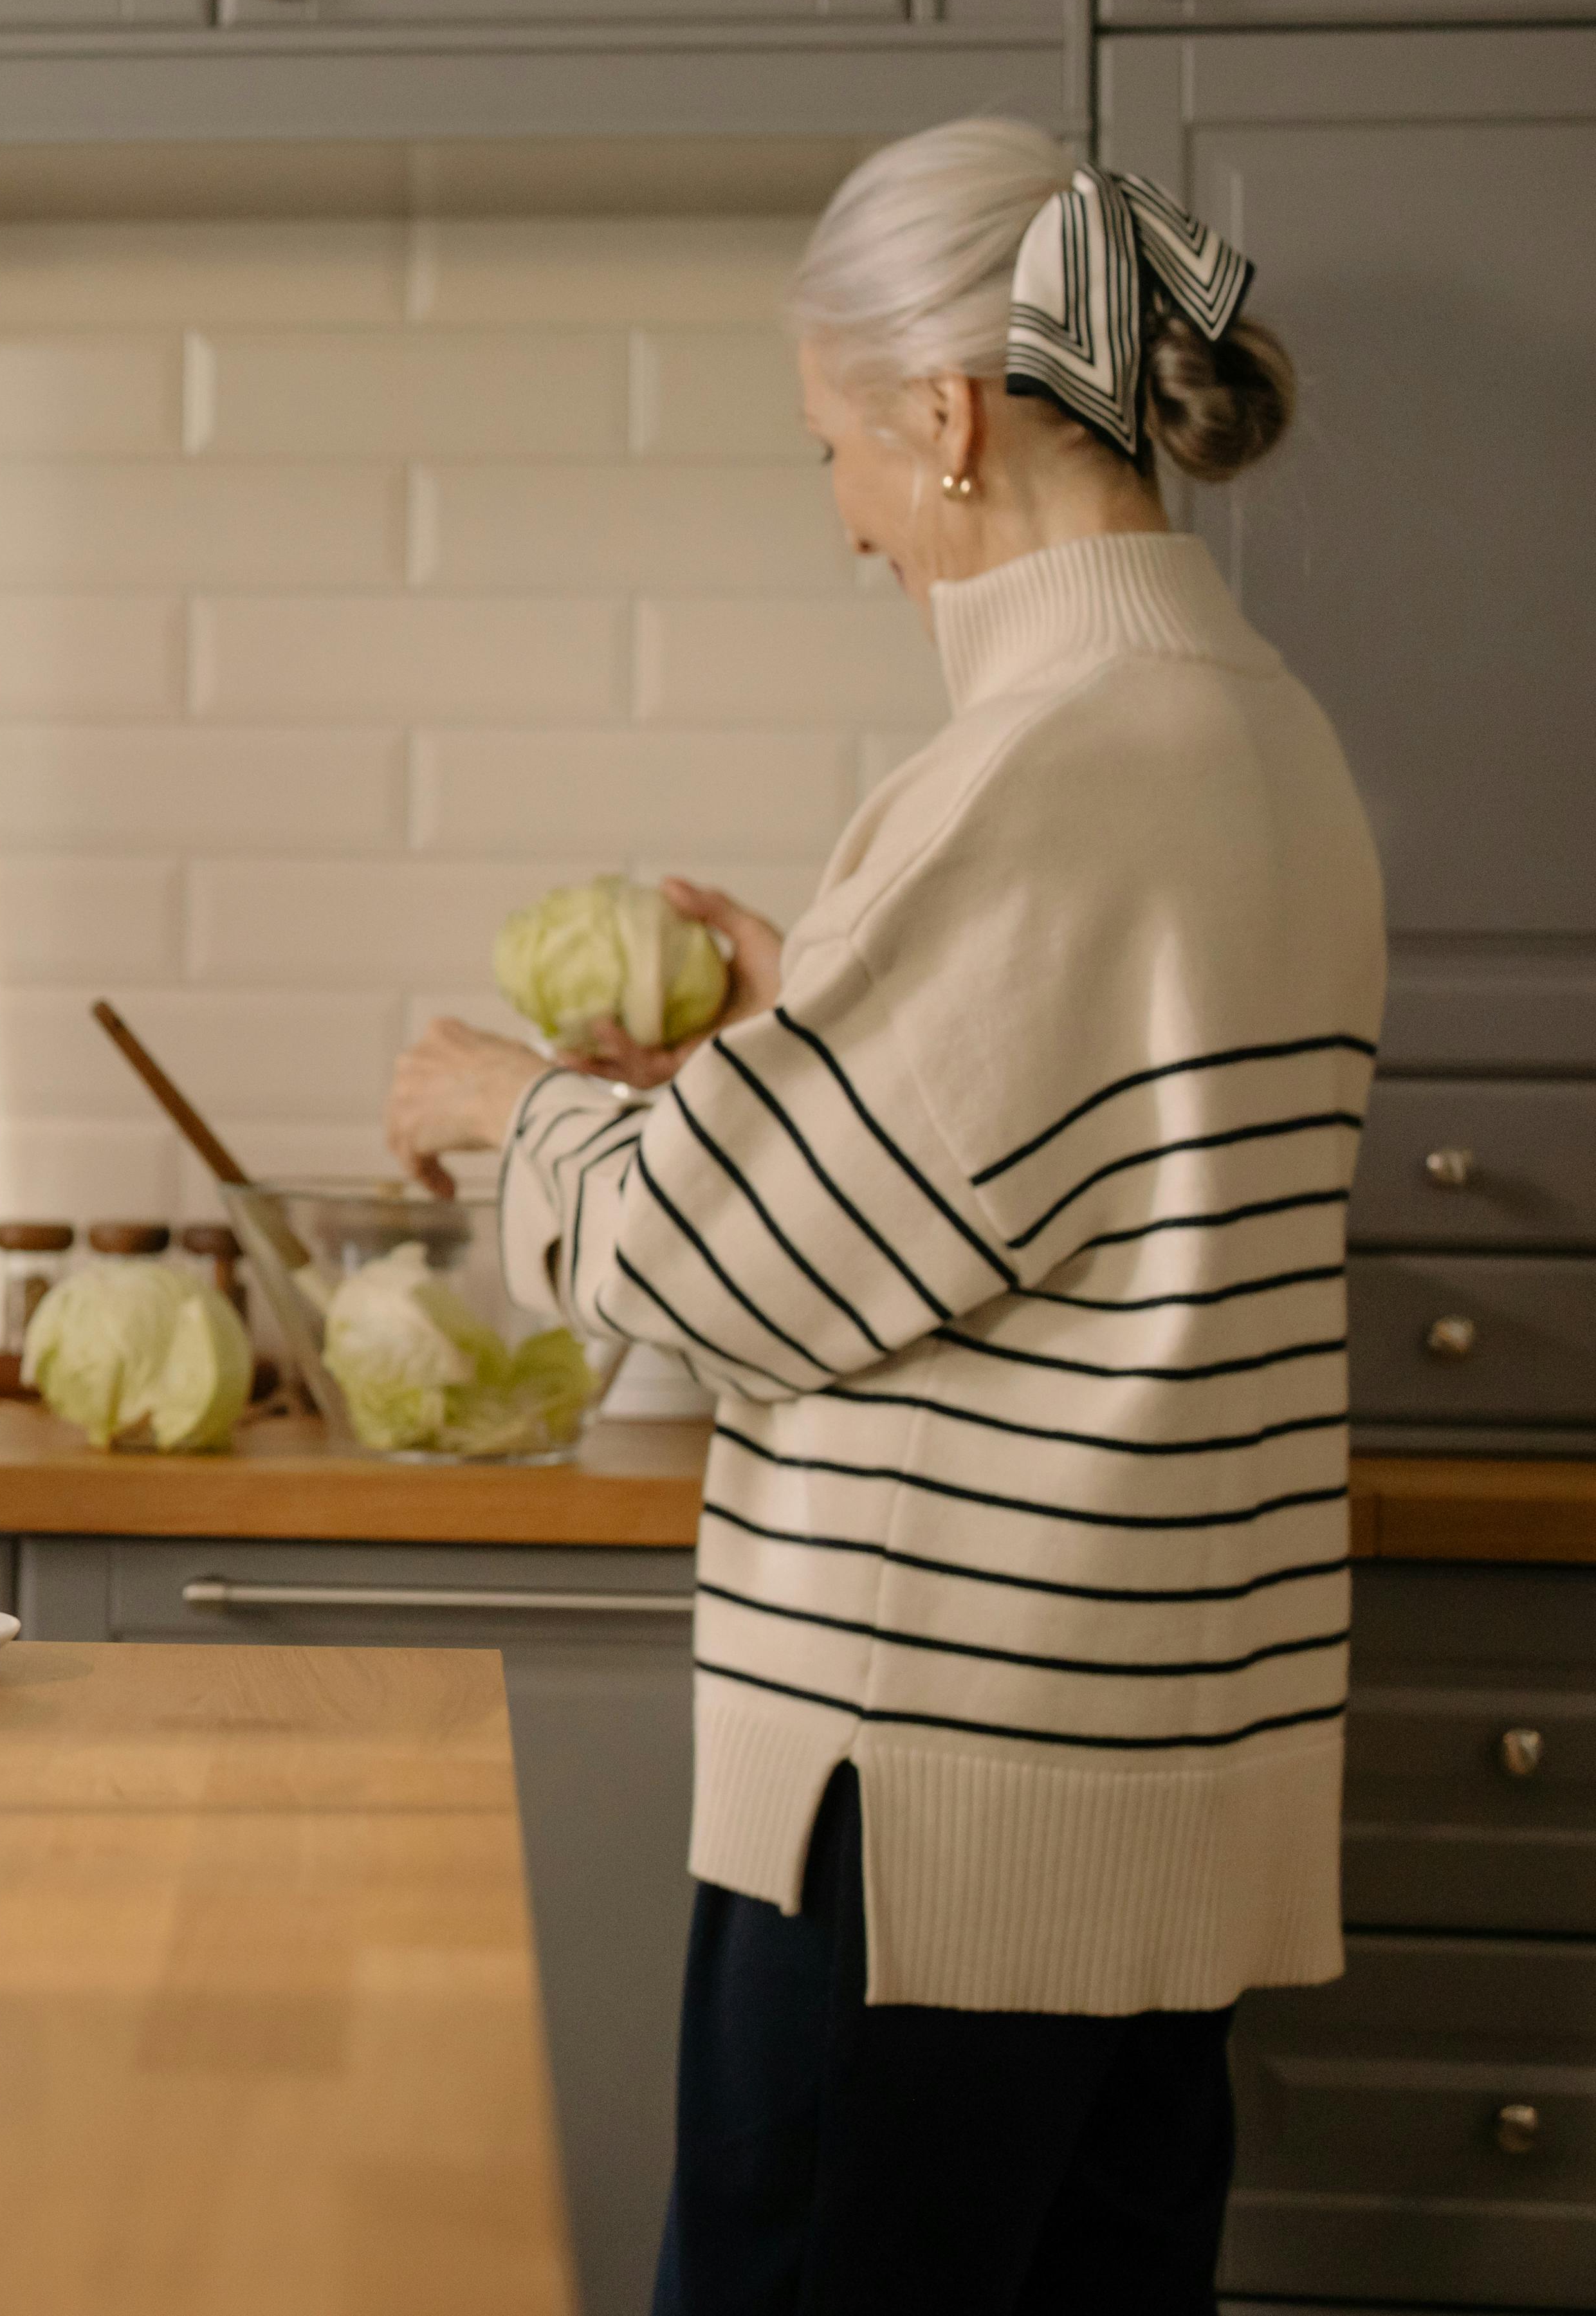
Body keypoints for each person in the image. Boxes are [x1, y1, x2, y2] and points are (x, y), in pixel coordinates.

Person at [384, 118, 1376, 2314]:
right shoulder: (1264, 739)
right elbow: (1080, 1163)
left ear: (942, 421)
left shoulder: (1049, 769)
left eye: (830, 444)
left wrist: (510, 1100)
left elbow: (712, 1262)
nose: (842, 514)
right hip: (1152, 1814)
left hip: (929, 1835)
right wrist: (801, 1008)